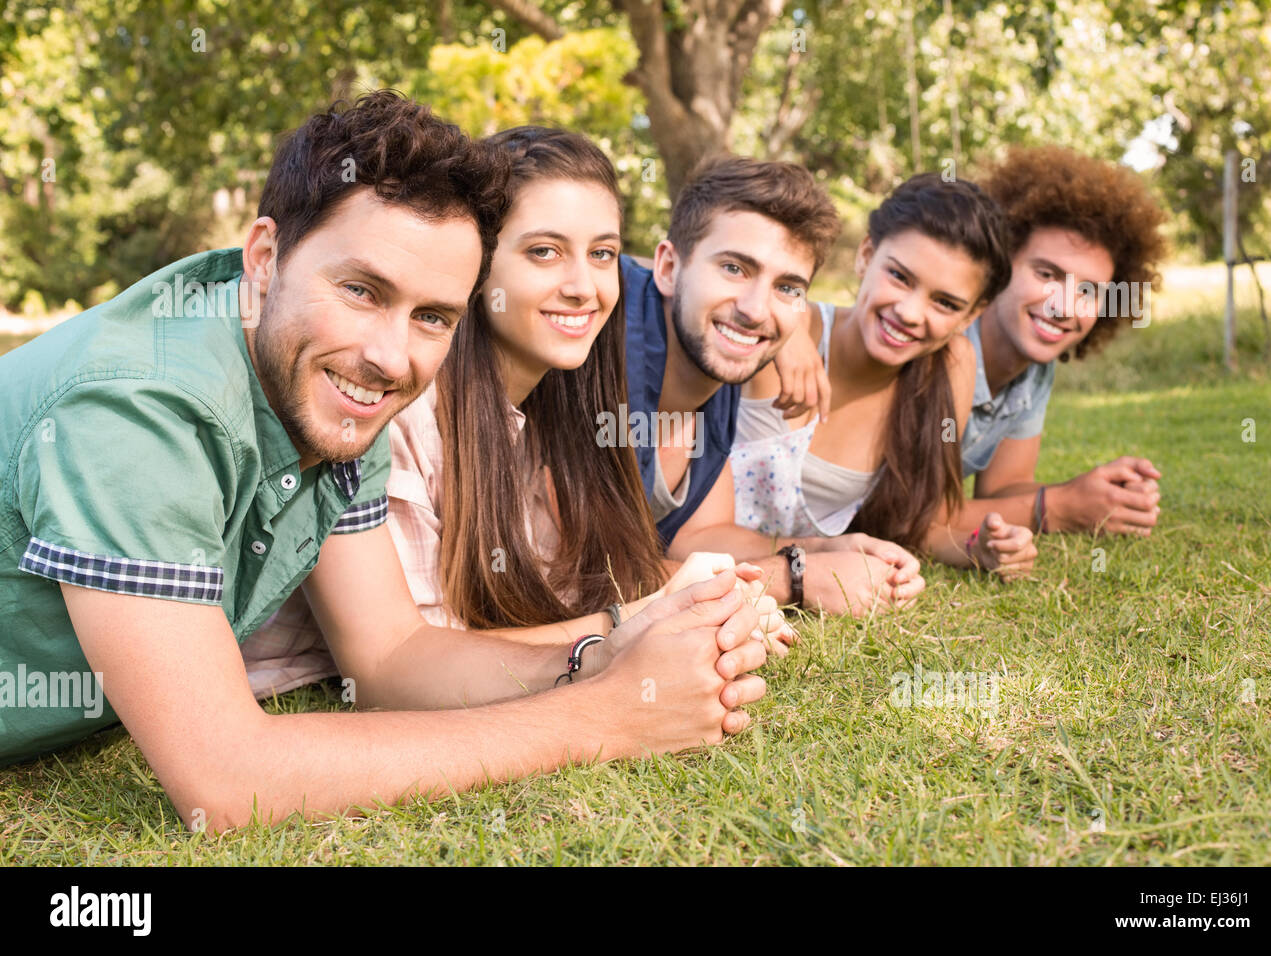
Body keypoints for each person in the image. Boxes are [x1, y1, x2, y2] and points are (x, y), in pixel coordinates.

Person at [0, 93, 769, 831]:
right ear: (264, 257)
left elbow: (390, 658)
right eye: (362, 290)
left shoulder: (334, 390)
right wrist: (606, 717)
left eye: (432, 316)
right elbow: (227, 780)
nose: (390, 357)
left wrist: (603, 652)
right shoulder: (141, 410)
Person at [241, 126, 792, 697]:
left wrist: (696, 606)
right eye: (544, 252)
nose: (584, 286)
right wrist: (638, 621)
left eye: (602, 254)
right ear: (475, 268)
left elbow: (533, 611)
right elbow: (411, 656)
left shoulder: (554, 411)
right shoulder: (393, 395)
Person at [621, 156, 926, 615]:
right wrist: (792, 578)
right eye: (734, 268)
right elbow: (578, 575)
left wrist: (822, 549)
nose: (755, 308)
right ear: (667, 267)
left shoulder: (718, 373)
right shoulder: (611, 348)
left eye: (787, 287)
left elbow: (697, 537)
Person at [733, 173, 1037, 575]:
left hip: (787, 576)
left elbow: (920, 526)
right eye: (899, 276)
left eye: (945, 303)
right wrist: (783, 325)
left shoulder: (948, 369)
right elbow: (660, 271)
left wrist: (976, 549)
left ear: (972, 315)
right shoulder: (770, 318)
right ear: (866, 254)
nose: (909, 313)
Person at [951, 146, 1169, 537]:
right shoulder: (943, 342)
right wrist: (1059, 508)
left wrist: (1093, 495)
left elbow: (1003, 488)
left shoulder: (1033, 369)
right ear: (1000, 261)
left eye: (1089, 290)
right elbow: (910, 516)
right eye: (1047, 274)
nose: (1064, 307)